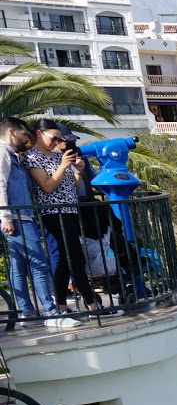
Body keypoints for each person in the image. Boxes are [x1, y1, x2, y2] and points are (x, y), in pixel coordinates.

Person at [23, 120, 102, 315]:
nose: (58, 142)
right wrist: (63, 165)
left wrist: (77, 171)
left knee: (66, 259)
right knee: (75, 257)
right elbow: (47, 187)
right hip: (53, 212)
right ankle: (92, 304)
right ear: (39, 133)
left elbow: (71, 190)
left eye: (60, 138)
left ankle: (61, 305)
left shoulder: (58, 155)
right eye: (54, 138)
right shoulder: (33, 157)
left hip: (70, 210)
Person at [0, 117, 64, 323]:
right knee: (39, 263)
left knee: (18, 267)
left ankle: (28, 310)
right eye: (24, 134)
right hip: (17, 217)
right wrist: (5, 217)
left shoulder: (12, 155)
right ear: (12, 132)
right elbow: (0, 185)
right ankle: (50, 310)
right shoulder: (3, 153)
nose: (26, 138)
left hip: (20, 216)